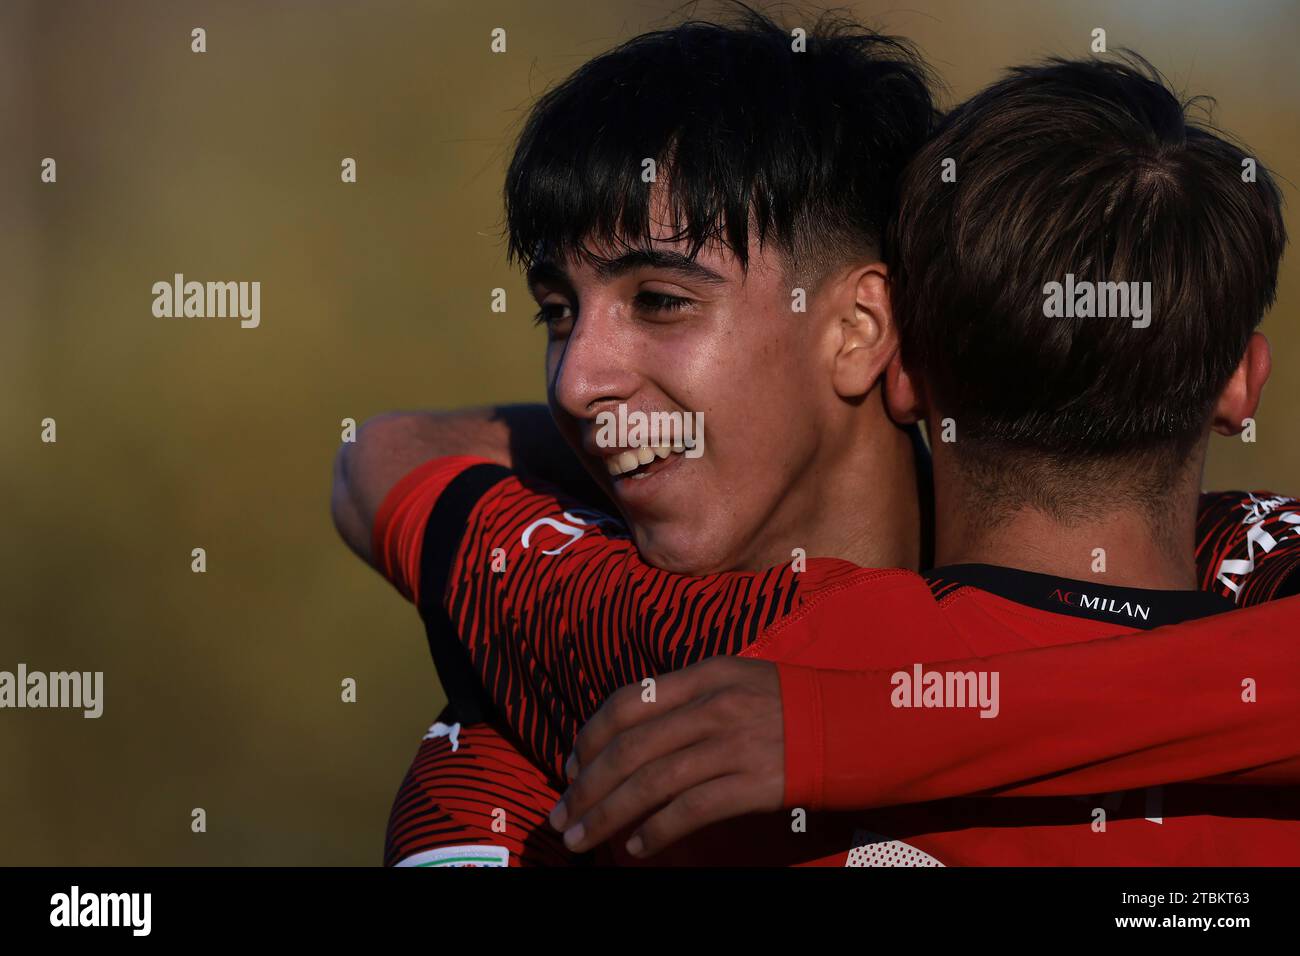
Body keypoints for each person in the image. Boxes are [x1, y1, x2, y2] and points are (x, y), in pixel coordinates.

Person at [332, 10, 1300, 866]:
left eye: (661, 299)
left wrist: (848, 719)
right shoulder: (1245, 568)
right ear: (1236, 382)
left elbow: (389, 460)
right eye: (556, 311)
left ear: (876, 337)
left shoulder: (674, 672)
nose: (579, 380)